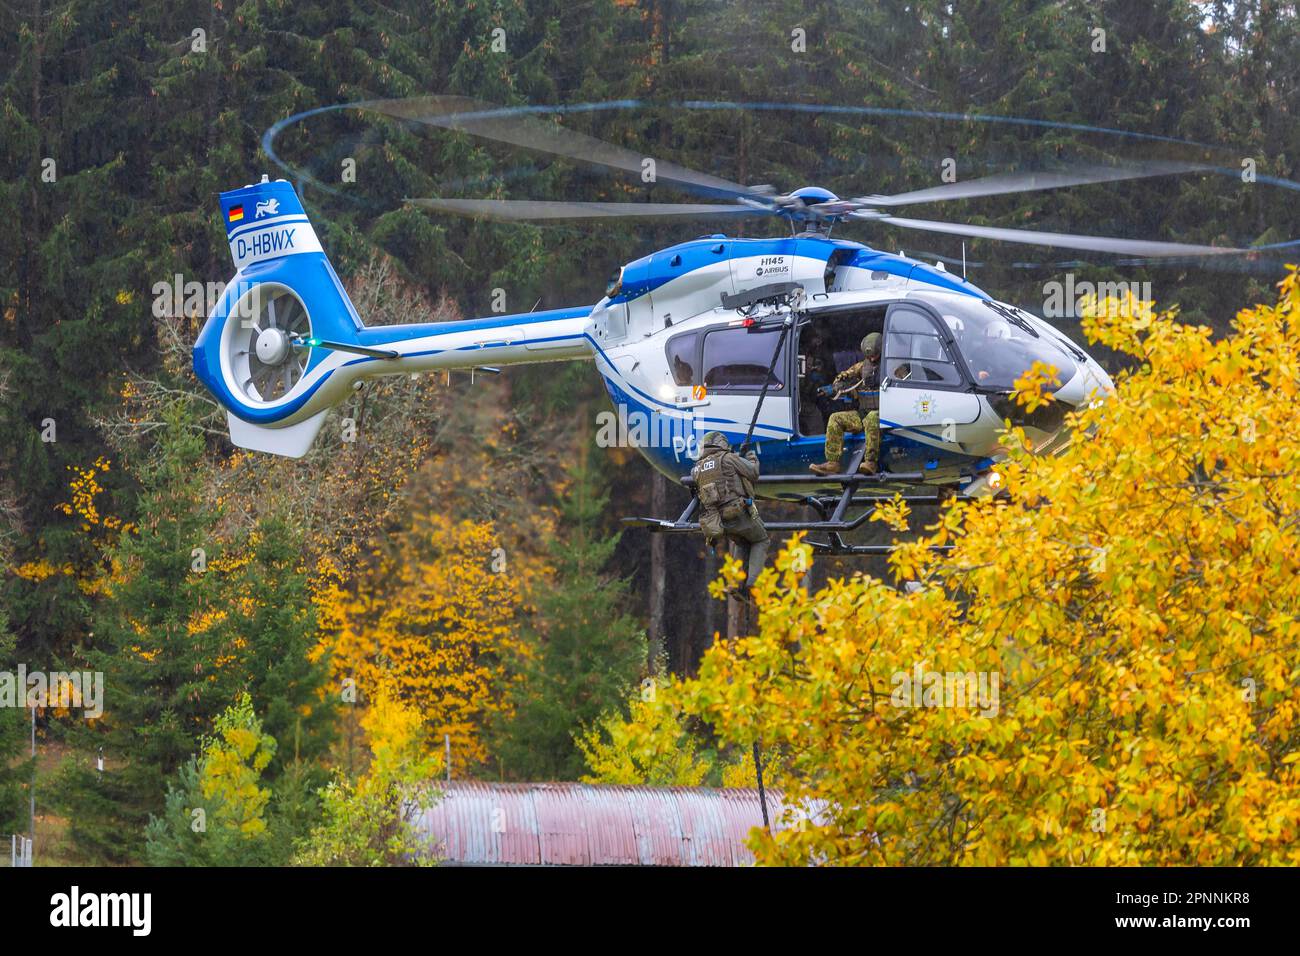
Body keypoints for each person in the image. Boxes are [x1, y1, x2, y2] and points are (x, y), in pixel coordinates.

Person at [691, 431, 769, 589]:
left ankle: (735, 584)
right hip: (737, 513)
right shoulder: (728, 458)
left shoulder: (697, 469)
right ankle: (754, 584)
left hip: (717, 521)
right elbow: (753, 473)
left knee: (742, 543)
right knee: (761, 540)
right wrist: (751, 458)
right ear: (721, 444)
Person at [810, 332, 882, 476]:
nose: (872, 358)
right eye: (870, 355)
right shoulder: (861, 367)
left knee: (872, 417)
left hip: (883, 415)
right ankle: (832, 463)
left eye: (875, 355)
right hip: (862, 413)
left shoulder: (891, 367)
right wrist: (837, 385)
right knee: (835, 418)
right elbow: (844, 375)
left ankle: (870, 462)